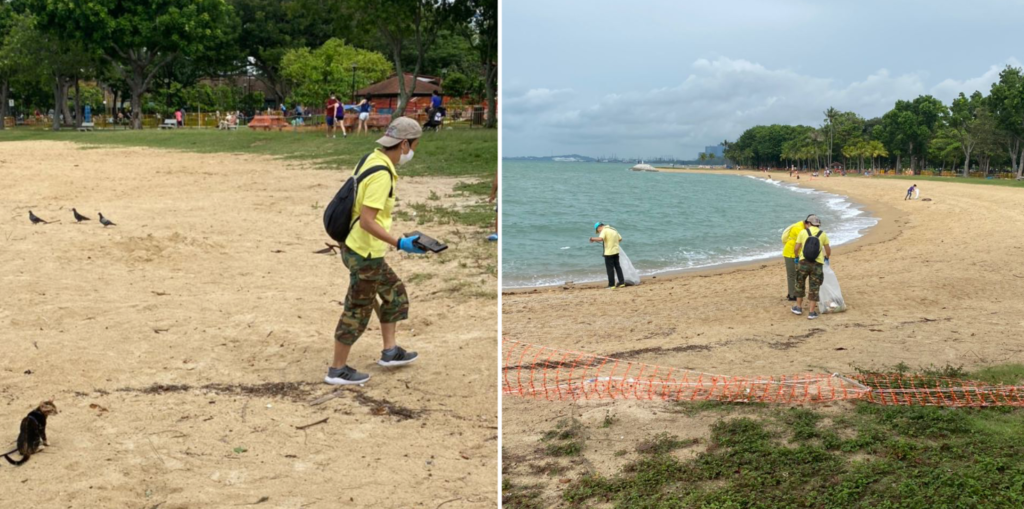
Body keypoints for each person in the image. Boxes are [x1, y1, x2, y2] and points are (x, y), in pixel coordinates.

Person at [325, 117, 426, 385]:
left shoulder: (371, 158)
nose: (414, 151)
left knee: (395, 294)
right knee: (357, 309)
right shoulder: (382, 174)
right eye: (414, 145)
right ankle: (337, 369)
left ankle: (390, 352)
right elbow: (368, 220)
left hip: (357, 246)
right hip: (364, 252)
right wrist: (399, 243)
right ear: (404, 144)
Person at [791, 214, 831, 320]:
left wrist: (796, 257)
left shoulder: (803, 232)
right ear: (818, 224)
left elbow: (796, 248)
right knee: (814, 287)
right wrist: (827, 258)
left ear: (808, 223)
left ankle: (798, 307)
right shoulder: (823, 234)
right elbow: (827, 249)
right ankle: (811, 312)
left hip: (803, 262)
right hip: (817, 264)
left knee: (799, 284)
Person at [590, 223, 624, 289]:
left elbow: (600, 239)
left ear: (599, 227)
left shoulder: (604, 230)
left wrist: (592, 239)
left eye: (598, 230)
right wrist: (612, 242)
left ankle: (611, 285)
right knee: (618, 267)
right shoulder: (613, 229)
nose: (599, 231)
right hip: (616, 251)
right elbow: (620, 239)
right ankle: (621, 282)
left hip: (609, 253)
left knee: (610, 269)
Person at [781, 217, 807, 301]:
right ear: (807, 223)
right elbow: (801, 243)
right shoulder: (799, 229)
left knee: (796, 274)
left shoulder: (802, 226)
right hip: (790, 253)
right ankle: (792, 295)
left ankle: (792, 293)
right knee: (792, 275)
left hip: (795, 253)